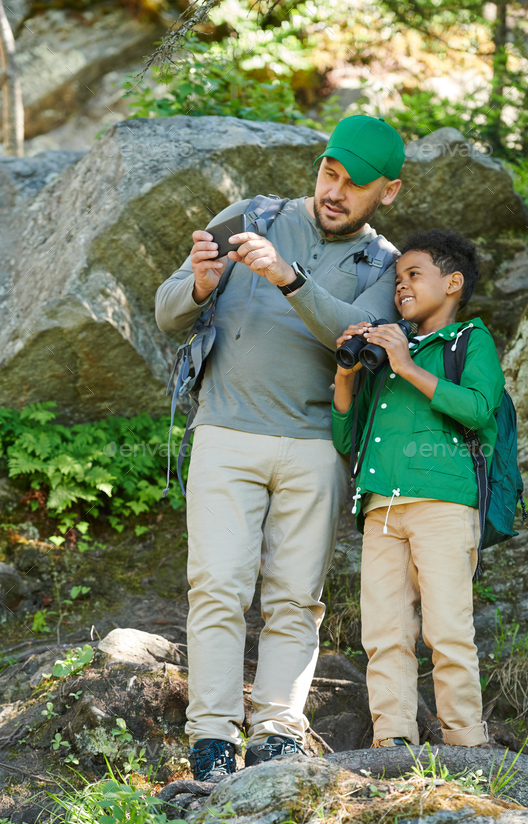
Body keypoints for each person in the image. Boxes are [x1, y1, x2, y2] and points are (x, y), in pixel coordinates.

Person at [155, 115, 406, 781]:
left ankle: (277, 736)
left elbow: (357, 334)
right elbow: (166, 308)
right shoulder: (252, 214)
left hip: (314, 446)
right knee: (217, 586)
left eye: (355, 184)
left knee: (296, 597)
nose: (335, 190)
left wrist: (289, 279)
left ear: (389, 192)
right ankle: (210, 740)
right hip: (225, 432)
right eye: (330, 171)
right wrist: (201, 285)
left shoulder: (385, 264)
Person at [331, 229, 505, 748]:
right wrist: (345, 374)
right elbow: (347, 437)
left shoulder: (469, 341)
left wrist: (406, 364)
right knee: (384, 635)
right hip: (382, 507)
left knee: (447, 631)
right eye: (397, 278)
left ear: (453, 283)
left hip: (445, 506)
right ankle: (392, 743)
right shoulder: (386, 353)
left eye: (414, 274)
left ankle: (467, 744)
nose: (401, 286)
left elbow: (477, 407)